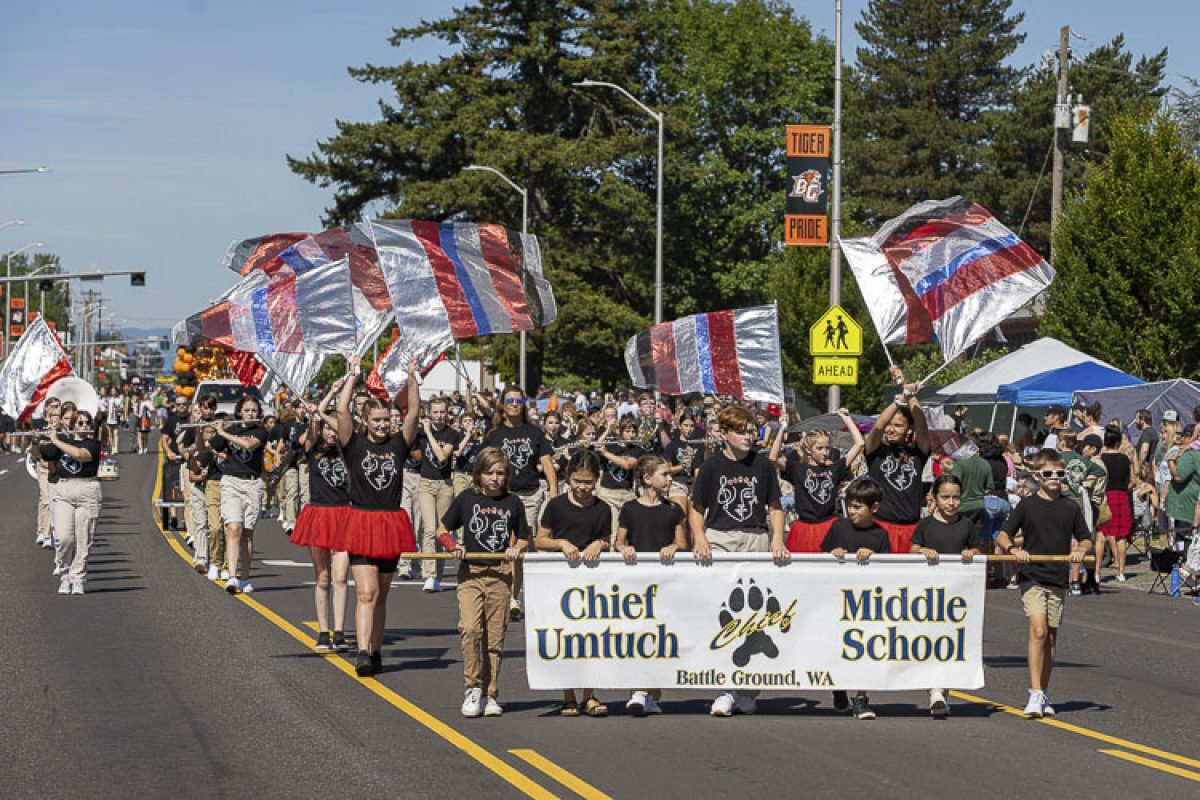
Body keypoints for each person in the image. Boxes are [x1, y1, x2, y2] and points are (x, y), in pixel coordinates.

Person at [690, 403, 788, 717]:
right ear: (724, 434)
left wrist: (777, 538)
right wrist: (700, 538)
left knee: (755, 615)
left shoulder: (762, 466)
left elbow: (775, 506)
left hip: (755, 535)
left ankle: (746, 689)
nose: (749, 437)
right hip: (720, 536)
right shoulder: (711, 467)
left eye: (752, 432)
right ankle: (725, 689)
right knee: (723, 612)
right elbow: (696, 507)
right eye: (742, 432)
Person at [335, 355, 420, 677]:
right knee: (366, 592)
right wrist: (352, 375)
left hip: (389, 523)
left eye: (386, 420)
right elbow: (341, 411)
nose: (383, 425)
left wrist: (412, 378)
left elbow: (413, 412)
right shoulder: (353, 445)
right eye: (377, 420)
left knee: (382, 593)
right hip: (361, 521)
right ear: (366, 421)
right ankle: (362, 652)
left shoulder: (398, 445)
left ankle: (376, 649)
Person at [996, 449, 1091, 719]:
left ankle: (1044, 690)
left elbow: (1085, 538)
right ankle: (1034, 692)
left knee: (1050, 637)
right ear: (1037, 475)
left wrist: (1080, 550)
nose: (1054, 479)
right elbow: (1004, 535)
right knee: (1037, 631)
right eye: (1048, 474)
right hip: (1033, 576)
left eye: (1059, 474)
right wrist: (1014, 551)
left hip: (1057, 576)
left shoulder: (1070, 506)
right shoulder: (1027, 505)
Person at [437, 447, 529, 718]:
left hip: (500, 574)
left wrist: (516, 549)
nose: (495, 478)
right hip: (471, 573)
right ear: (478, 474)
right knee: (469, 628)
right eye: (489, 473)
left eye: (500, 473)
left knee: (495, 637)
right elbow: (442, 530)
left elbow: (523, 537)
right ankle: (472, 687)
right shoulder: (467, 499)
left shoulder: (513, 503)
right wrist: (452, 545)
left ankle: (491, 692)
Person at [535, 449, 611, 717]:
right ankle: (568, 696)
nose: (582, 487)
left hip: (592, 581)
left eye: (588, 482)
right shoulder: (556, 506)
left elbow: (607, 539)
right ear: (569, 478)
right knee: (566, 637)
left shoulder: (603, 509)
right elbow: (540, 539)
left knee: (591, 638)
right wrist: (561, 543)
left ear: (596, 480)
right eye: (577, 481)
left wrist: (599, 543)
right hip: (561, 580)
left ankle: (589, 695)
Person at [616, 453, 687, 716]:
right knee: (638, 634)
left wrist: (673, 546)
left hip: (665, 582)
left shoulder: (673, 509)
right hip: (636, 583)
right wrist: (625, 548)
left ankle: (651, 693)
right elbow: (619, 541)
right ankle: (639, 690)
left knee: (659, 636)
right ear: (647, 478)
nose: (669, 478)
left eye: (670, 474)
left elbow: (684, 544)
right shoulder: (630, 509)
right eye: (664, 474)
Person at [911, 475, 982, 718]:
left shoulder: (966, 525)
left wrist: (970, 552)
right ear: (934, 498)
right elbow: (912, 551)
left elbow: (977, 549)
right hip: (929, 591)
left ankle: (942, 692)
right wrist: (923, 550)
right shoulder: (926, 525)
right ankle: (935, 690)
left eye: (955, 498)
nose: (951, 503)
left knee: (952, 642)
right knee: (932, 639)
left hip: (958, 594)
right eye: (945, 497)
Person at [485, 385, 558, 621]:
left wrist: (553, 489)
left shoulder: (534, 432)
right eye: (510, 400)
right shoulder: (494, 434)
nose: (514, 404)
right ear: (502, 404)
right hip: (503, 495)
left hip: (529, 495)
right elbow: (485, 465)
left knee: (519, 543)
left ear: (524, 404)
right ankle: (503, 594)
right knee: (505, 544)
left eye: (518, 400)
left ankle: (514, 597)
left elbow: (546, 462)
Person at [820, 478, 891, 720]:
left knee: (864, 650)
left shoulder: (880, 534)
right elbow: (820, 558)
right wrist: (833, 553)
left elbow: (890, 568)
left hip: (866, 603)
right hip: (837, 599)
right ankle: (838, 686)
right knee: (836, 647)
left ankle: (861, 698)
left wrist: (874, 556)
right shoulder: (839, 527)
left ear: (874, 508)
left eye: (858, 506)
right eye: (850, 505)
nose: (852, 511)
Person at [290, 383, 352, 653]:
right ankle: (322, 631)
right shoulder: (312, 449)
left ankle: (339, 631)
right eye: (328, 427)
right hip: (319, 515)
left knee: (341, 576)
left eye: (333, 427)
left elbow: (343, 426)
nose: (330, 431)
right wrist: (327, 397)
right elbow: (314, 424)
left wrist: (335, 407)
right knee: (323, 578)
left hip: (343, 515)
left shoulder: (348, 449)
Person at [771, 408, 864, 553]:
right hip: (804, 528)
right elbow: (773, 457)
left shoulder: (834, 468)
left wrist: (846, 419)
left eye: (827, 448)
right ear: (809, 449)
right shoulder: (798, 469)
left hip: (829, 525)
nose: (825, 452)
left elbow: (859, 444)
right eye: (820, 448)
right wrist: (782, 428)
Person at [863, 367, 931, 554]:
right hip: (880, 526)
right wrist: (899, 399)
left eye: (898, 425)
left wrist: (908, 393)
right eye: (890, 425)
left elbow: (922, 424)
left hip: (911, 529)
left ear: (909, 429)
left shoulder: (917, 453)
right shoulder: (876, 451)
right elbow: (877, 427)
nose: (891, 429)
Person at [41, 409, 102, 595]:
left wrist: (57, 440)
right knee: (64, 538)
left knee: (84, 539)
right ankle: (65, 573)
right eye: (80, 423)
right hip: (63, 490)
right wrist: (40, 438)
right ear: (73, 425)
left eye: (87, 423)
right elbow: (43, 455)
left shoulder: (93, 444)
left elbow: (80, 455)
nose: (84, 426)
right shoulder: (61, 440)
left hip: (88, 490)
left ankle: (78, 578)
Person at [213, 397, 269, 594]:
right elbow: (210, 446)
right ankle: (232, 576)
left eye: (254, 410)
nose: (251, 414)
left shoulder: (261, 431)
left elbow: (249, 445)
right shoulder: (230, 430)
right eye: (247, 410)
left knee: (247, 532)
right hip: (231, 481)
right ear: (239, 413)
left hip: (252, 483)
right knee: (233, 527)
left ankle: (245, 578)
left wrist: (223, 433)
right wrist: (207, 431)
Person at [414, 396, 464, 593]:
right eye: (435, 412)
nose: (439, 416)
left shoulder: (452, 434)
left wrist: (428, 433)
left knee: (441, 531)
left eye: (442, 412)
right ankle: (429, 575)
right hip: (426, 483)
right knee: (428, 529)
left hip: (445, 484)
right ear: (429, 412)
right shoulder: (420, 434)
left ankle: (438, 577)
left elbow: (442, 456)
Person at [596, 415, 643, 541]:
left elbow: (627, 465)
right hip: (608, 494)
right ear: (620, 432)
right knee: (612, 531)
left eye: (633, 431)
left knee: (626, 533)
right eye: (627, 431)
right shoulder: (610, 445)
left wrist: (606, 453)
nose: (631, 435)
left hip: (626, 494)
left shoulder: (637, 450)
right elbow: (598, 445)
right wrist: (607, 429)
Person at [1098, 424, 1134, 583]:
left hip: (1104, 496)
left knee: (1101, 535)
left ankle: (1097, 572)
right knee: (1121, 537)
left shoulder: (1100, 459)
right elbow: (1132, 481)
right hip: (1121, 497)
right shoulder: (1125, 459)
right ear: (1119, 442)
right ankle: (1121, 572)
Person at [185, 423, 219, 575]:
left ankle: (216, 558)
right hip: (200, 489)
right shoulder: (197, 453)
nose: (210, 435)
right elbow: (192, 477)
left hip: (216, 490)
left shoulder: (219, 452)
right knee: (201, 524)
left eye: (213, 433)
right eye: (207, 433)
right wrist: (201, 475)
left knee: (215, 526)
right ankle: (200, 557)